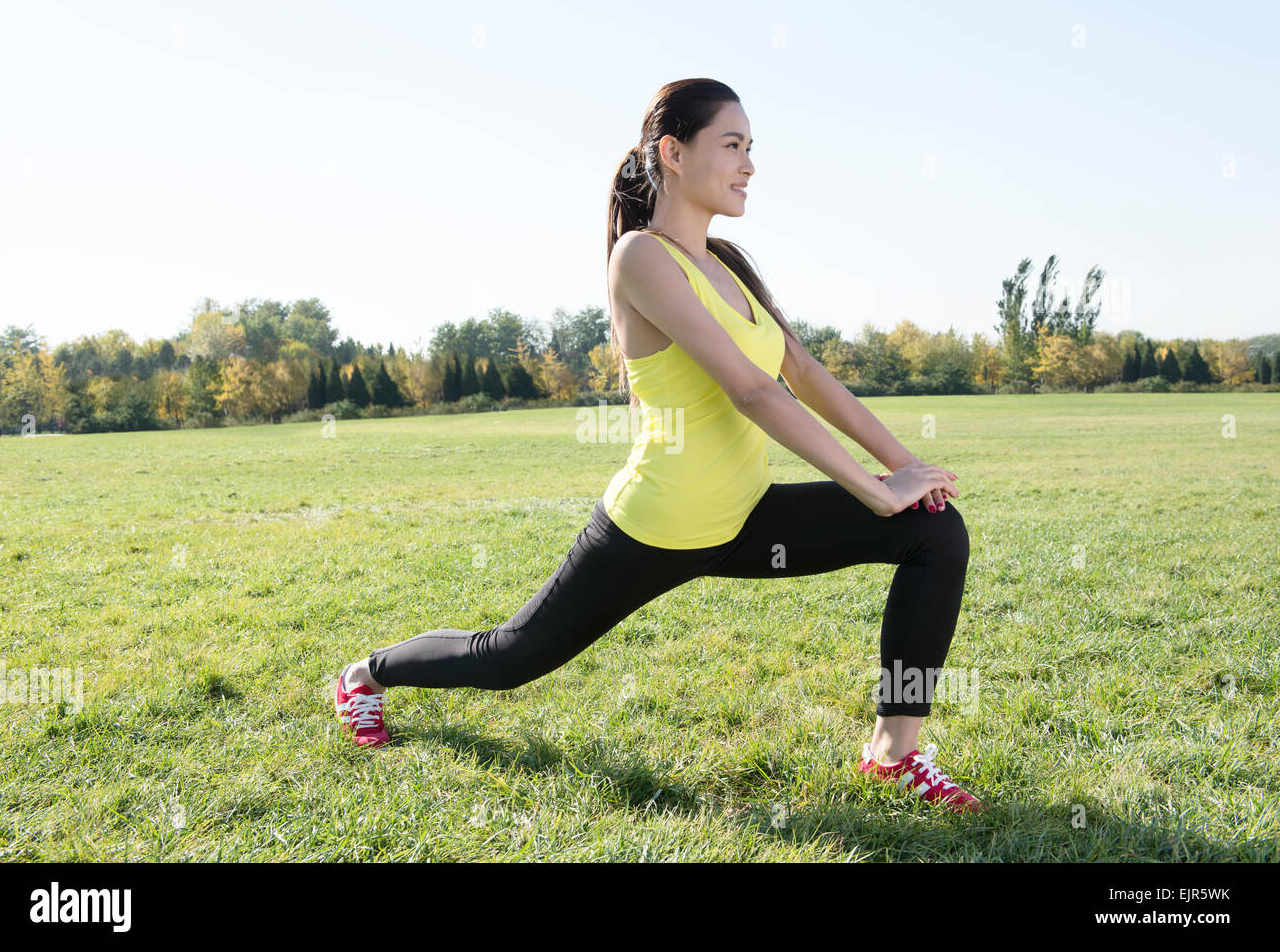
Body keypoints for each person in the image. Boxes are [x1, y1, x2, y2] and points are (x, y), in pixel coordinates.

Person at [335, 78, 981, 813]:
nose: (749, 164)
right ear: (673, 153)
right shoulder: (641, 258)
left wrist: (903, 466)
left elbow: (802, 372)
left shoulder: (731, 263)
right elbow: (755, 391)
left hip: (745, 517)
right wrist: (871, 486)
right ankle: (368, 673)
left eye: (751, 148)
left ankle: (894, 752)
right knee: (510, 656)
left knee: (934, 531)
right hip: (658, 525)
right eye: (731, 145)